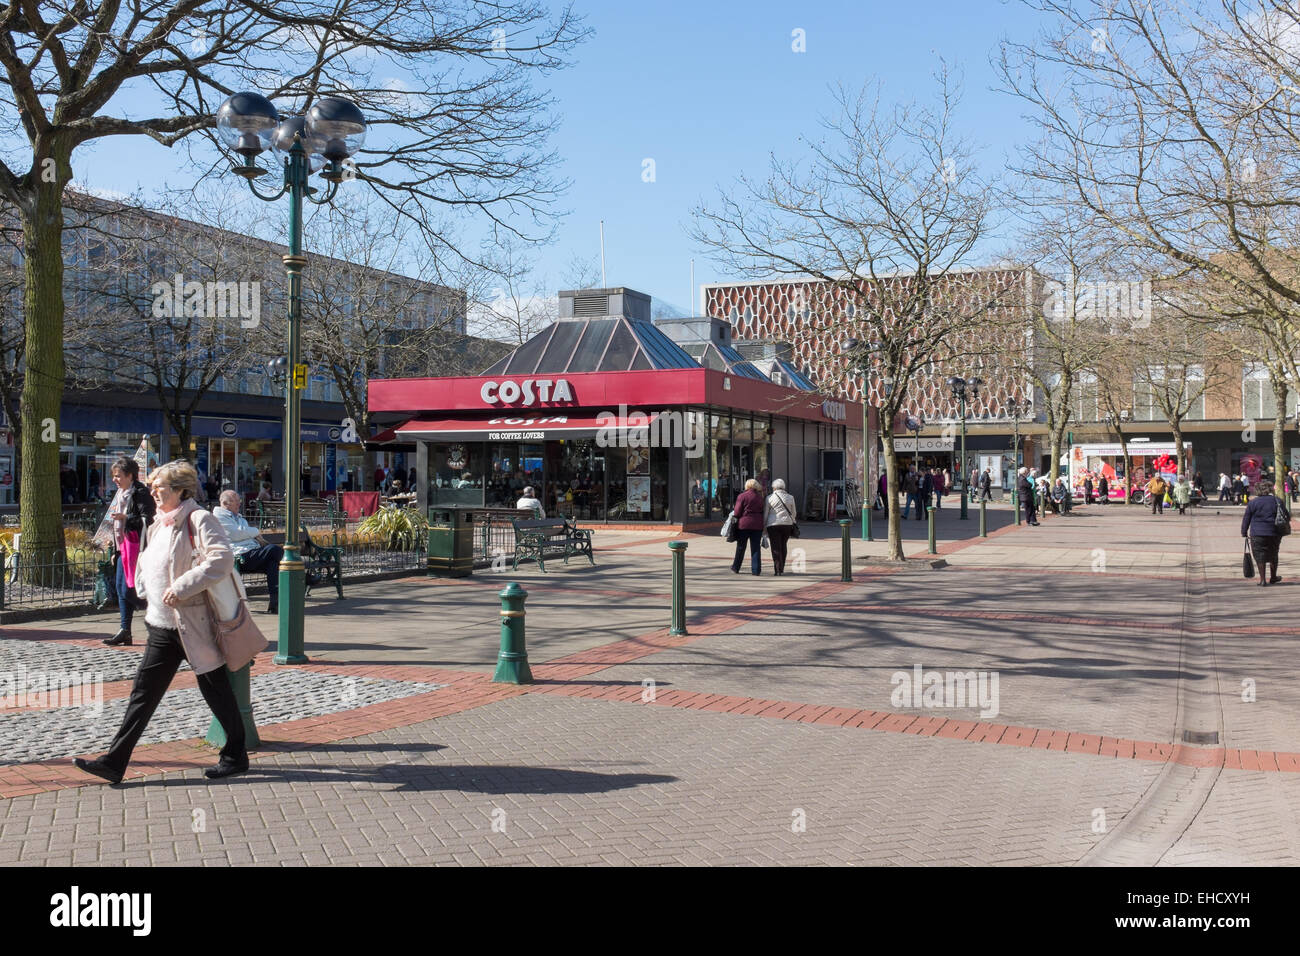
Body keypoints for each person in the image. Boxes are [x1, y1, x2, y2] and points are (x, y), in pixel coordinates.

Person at [75, 460, 250, 785]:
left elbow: (222, 558)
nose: (153, 492)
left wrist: (181, 586)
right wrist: (143, 586)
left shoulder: (200, 518)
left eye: (161, 488)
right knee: (143, 694)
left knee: (217, 692)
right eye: (153, 486)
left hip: (193, 625)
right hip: (162, 626)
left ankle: (236, 754)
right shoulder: (161, 521)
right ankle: (114, 762)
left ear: (181, 490)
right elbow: (147, 558)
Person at [103, 458, 156, 647]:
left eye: (118, 476)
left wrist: (126, 517)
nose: (115, 479)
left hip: (136, 547)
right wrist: (114, 547)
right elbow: (115, 524)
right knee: (120, 588)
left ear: (130, 475)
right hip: (122, 547)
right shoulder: (121, 493)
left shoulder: (140, 493)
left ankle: (158, 618)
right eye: (114, 476)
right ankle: (125, 630)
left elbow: (147, 518)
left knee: (129, 589)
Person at [214, 490, 282, 614]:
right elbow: (235, 534)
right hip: (239, 556)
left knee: (272, 563)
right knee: (274, 550)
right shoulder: (218, 517)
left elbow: (243, 533)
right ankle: (303, 576)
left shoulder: (239, 518)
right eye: (236, 501)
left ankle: (275, 604)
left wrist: (247, 533)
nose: (239, 504)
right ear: (225, 503)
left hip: (250, 552)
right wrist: (254, 531)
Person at [1242, 479, 1288, 586]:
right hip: (1275, 532)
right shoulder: (1277, 501)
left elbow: (1246, 519)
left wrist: (1244, 532)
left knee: (1259, 555)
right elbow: (1285, 515)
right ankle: (1273, 577)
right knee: (1273, 553)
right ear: (1270, 489)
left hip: (1257, 533)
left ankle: (1262, 580)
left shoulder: (1253, 503)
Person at [730, 478, 766, 575]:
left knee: (741, 547)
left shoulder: (742, 496)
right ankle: (756, 570)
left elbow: (737, 512)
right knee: (755, 548)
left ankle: (736, 567)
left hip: (744, 524)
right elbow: (763, 510)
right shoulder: (760, 497)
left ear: (747, 485)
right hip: (757, 525)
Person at [763, 478, 798, 576]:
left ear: (774, 487)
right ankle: (781, 568)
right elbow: (794, 512)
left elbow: (766, 513)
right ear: (783, 487)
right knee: (783, 545)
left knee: (775, 547)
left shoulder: (769, 498)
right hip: (787, 524)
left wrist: (764, 525)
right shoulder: (790, 497)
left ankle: (777, 569)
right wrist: (792, 520)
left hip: (773, 524)